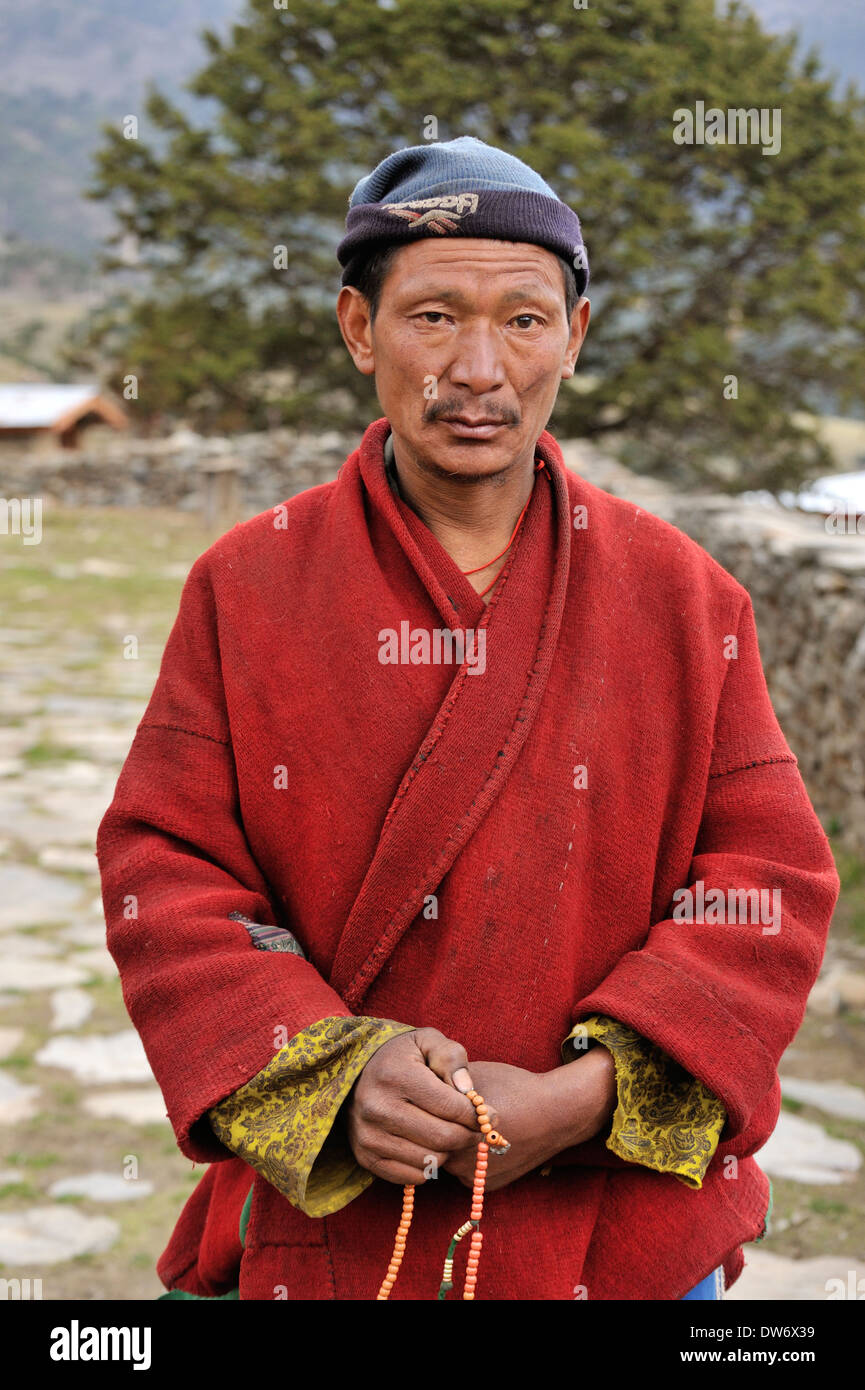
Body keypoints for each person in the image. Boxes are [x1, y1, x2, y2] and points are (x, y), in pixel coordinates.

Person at [97, 137, 839, 1301]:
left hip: (618, 1241)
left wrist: (587, 1095)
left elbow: (768, 880)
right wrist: (335, 1070)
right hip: (334, 1234)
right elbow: (169, 869)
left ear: (575, 338)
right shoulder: (246, 588)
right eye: (433, 316)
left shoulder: (683, 596)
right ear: (358, 328)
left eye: (524, 320)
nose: (478, 369)